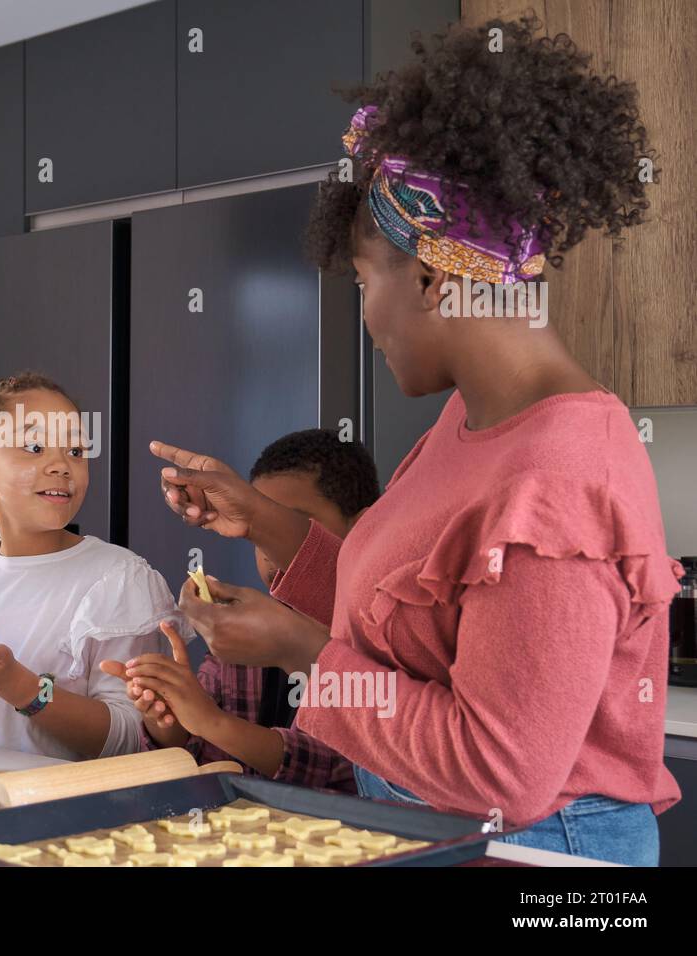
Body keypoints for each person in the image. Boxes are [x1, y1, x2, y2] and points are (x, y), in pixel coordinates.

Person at [142, 17, 680, 865]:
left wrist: (303, 652)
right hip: (434, 829)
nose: (366, 319)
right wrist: (269, 524)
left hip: (545, 855)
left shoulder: (557, 476)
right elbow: (412, 615)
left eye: (363, 282)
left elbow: (501, 772)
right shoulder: (472, 425)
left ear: (431, 277)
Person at [0, 371, 187, 760]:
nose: (61, 465)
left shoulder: (119, 579)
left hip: (57, 812)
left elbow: (130, 740)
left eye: (76, 451)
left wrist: (20, 687)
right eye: (35, 447)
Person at [107, 430, 377, 782]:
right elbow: (199, 752)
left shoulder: (377, 644)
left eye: (292, 523)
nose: (267, 544)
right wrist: (168, 713)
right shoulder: (236, 642)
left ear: (365, 528)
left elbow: (340, 770)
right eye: (257, 531)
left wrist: (214, 723)